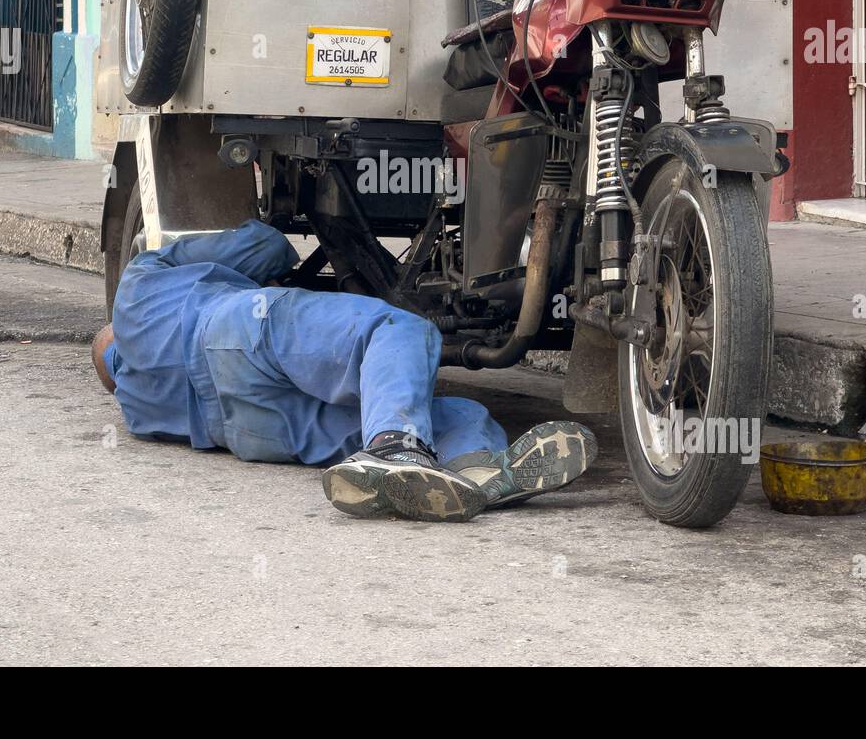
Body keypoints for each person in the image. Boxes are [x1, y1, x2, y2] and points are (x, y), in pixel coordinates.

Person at [92, 220, 597, 523]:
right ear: (111, 334)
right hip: (232, 332)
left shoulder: (137, 412)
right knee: (396, 332)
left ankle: (473, 469)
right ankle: (400, 450)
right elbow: (269, 247)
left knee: (430, 408)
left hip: (250, 431)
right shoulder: (137, 283)